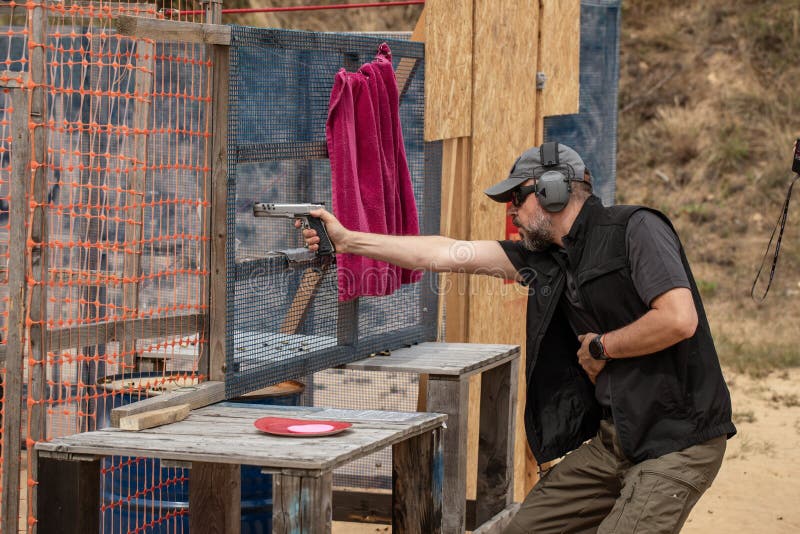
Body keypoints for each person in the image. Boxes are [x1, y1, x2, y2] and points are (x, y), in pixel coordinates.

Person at [299, 142, 736, 533]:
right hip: (617, 441)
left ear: (553, 190)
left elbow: (679, 319)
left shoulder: (636, 229)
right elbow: (446, 252)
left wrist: (603, 346)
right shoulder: (547, 258)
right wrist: (347, 241)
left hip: (679, 440)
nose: (511, 211)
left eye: (516, 198)